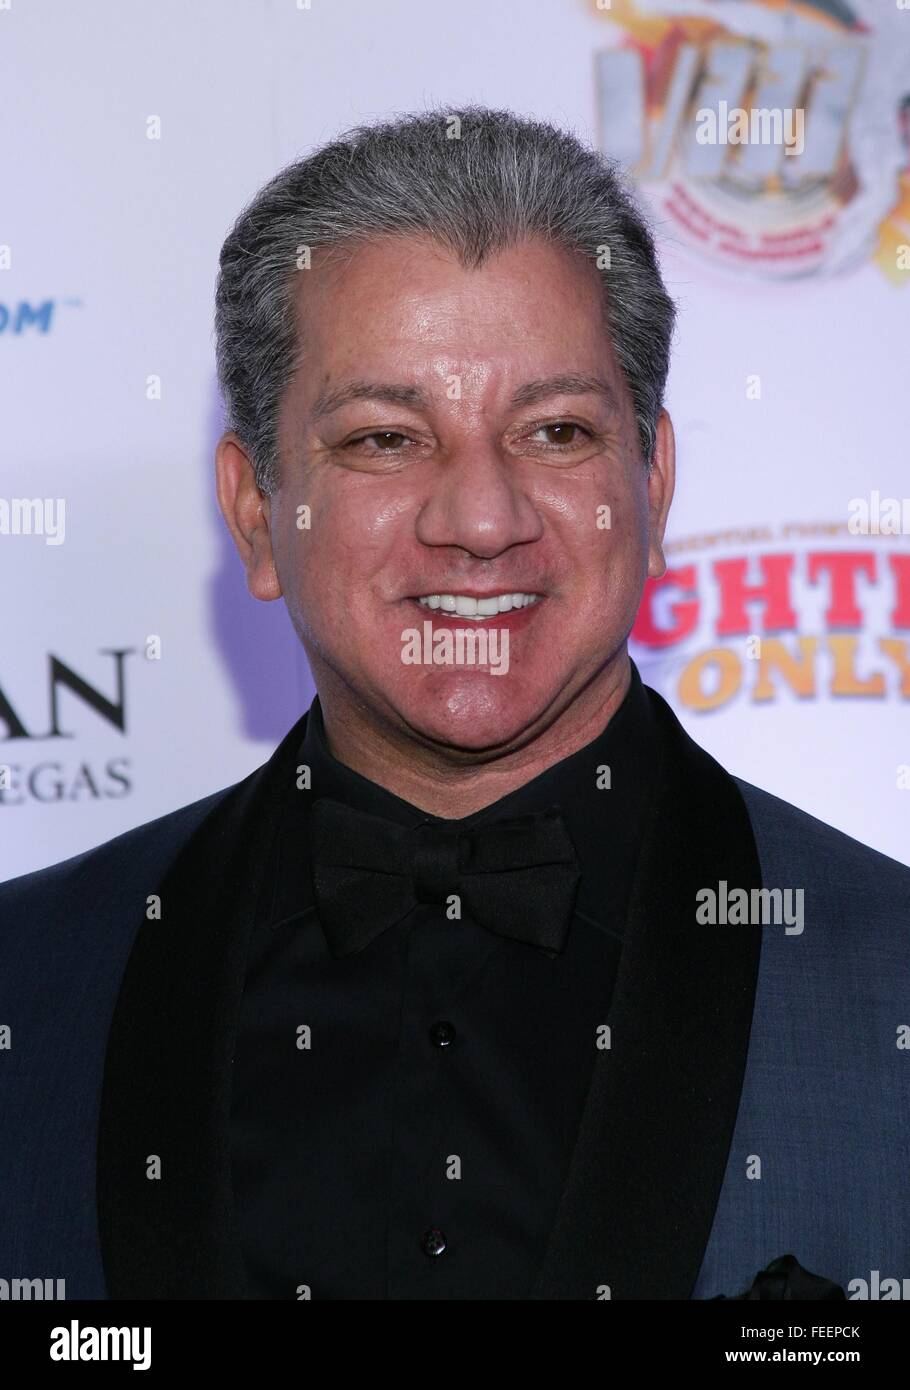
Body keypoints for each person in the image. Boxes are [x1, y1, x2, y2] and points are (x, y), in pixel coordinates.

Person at [1, 107, 907, 1302]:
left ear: (653, 483)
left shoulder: (888, 976)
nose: (481, 520)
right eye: (385, 437)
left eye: (556, 430)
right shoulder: (32, 978)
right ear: (254, 512)